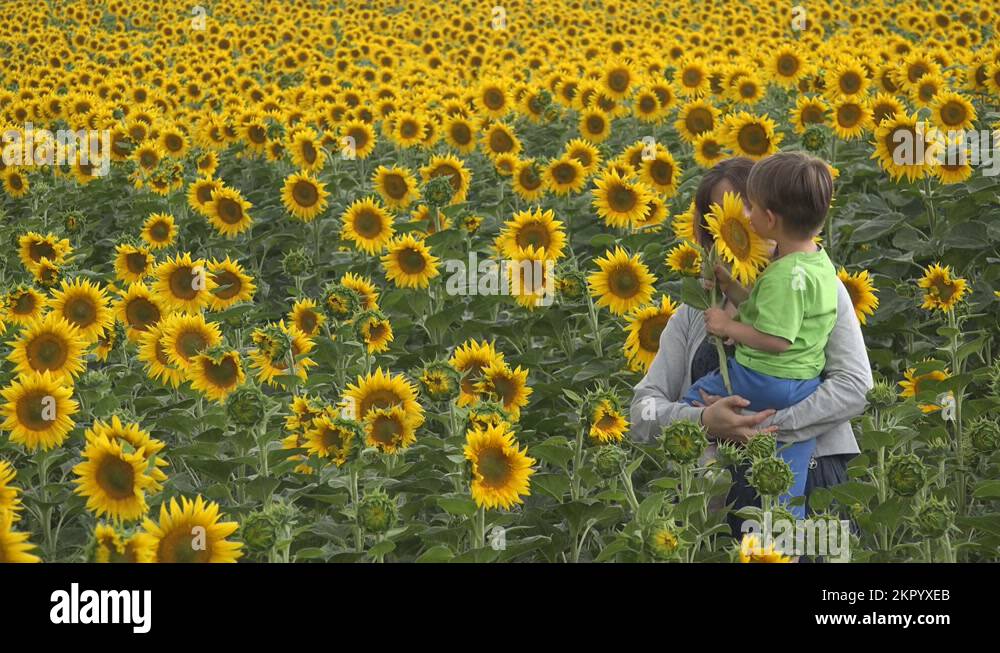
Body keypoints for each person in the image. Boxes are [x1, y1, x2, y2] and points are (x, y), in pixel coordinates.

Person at [629, 156, 872, 531]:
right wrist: (704, 421)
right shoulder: (696, 312)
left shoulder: (814, 286)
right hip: (716, 502)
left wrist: (769, 429)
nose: (728, 229)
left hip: (809, 480)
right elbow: (642, 412)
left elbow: (855, 387)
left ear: (769, 216)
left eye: (742, 216)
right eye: (716, 221)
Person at [679, 152, 838, 519]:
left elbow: (777, 338)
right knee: (786, 483)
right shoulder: (817, 268)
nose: (740, 222)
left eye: (747, 211)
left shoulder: (785, 277)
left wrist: (726, 327)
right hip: (801, 386)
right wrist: (731, 287)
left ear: (768, 219)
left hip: (766, 386)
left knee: (693, 402)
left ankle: (705, 499)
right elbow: (759, 306)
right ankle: (786, 525)